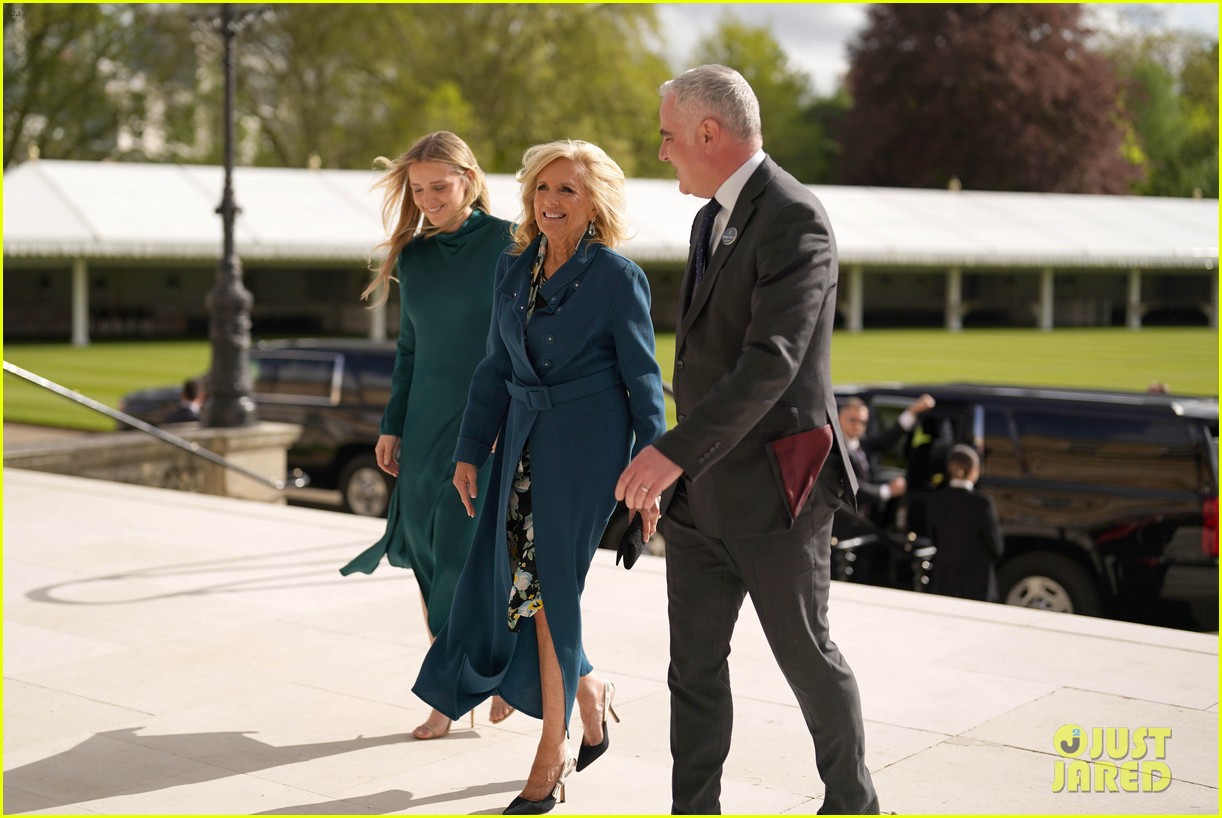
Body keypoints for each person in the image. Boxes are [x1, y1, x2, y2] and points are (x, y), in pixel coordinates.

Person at [616, 64, 879, 815]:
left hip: (778, 494)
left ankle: (853, 804)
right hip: (700, 498)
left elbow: (773, 364)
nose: (662, 152)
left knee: (808, 661)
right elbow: (704, 359)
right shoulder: (708, 219)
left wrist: (672, 451)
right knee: (692, 670)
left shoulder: (797, 217)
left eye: (669, 137)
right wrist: (682, 464)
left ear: (708, 133)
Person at [412, 140, 666, 815]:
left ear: (595, 203)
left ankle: (550, 756)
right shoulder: (511, 268)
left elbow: (646, 382)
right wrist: (470, 449)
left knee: (552, 587)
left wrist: (653, 473)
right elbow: (494, 366)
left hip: (589, 447)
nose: (551, 202)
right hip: (520, 439)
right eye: (543, 189)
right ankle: (590, 695)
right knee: (521, 587)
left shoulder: (618, 277)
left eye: (568, 191)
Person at [339, 131, 516, 740]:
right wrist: (391, 425)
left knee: (466, 557)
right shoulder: (411, 257)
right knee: (422, 552)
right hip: (422, 425)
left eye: (441, 187)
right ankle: (468, 675)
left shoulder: (509, 243)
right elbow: (410, 348)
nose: (430, 199)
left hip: (484, 423)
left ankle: (454, 690)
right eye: (419, 190)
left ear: (469, 179)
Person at [914, 444, 1004, 602]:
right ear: (974, 471)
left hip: (945, 578)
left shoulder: (935, 500)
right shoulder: (983, 504)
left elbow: (934, 538)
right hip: (976, 580)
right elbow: (996, 546)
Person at [838, 394, 935, 522]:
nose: (858, 426)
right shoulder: (835, 450)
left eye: (863, 422)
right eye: (853, 420)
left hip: (865, 516)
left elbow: (889, 437)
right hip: (844, 519)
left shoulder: (862, 444)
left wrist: (913, 411)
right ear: (839, 418)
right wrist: (886, 491)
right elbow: (850, 485)